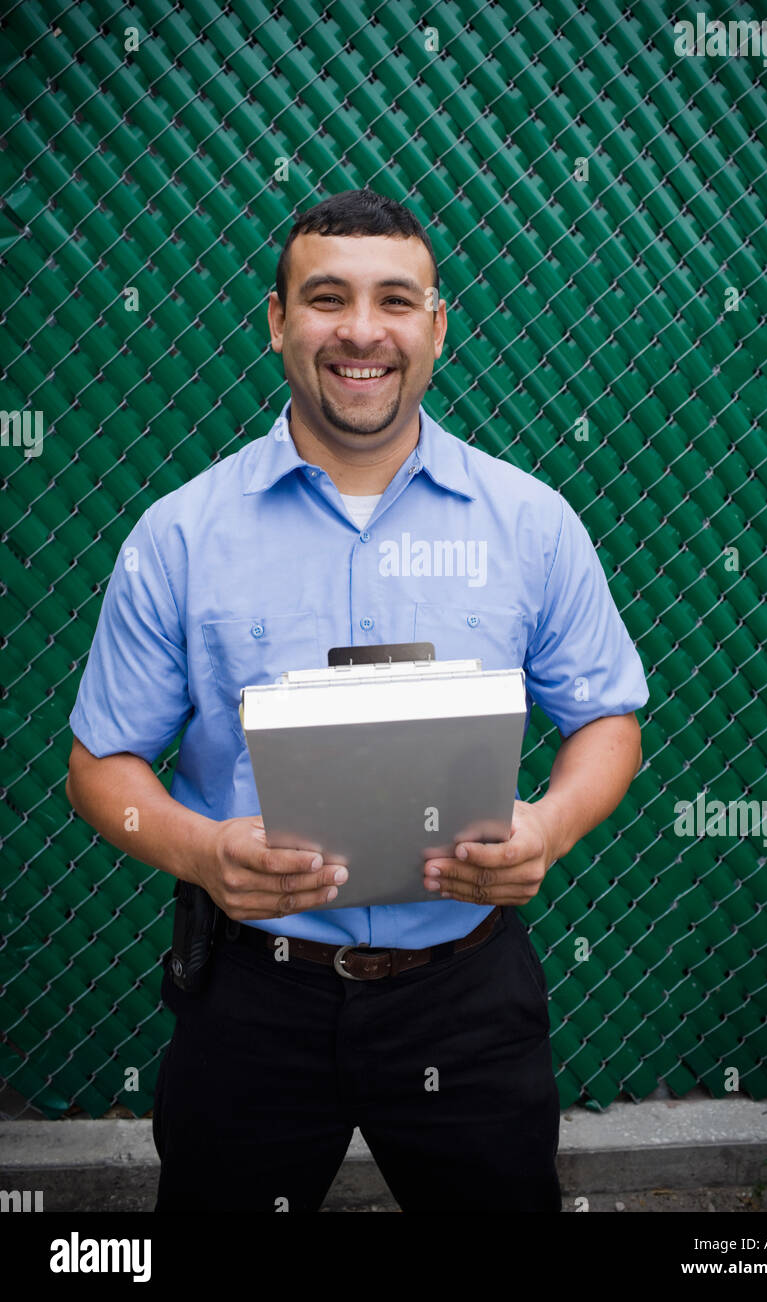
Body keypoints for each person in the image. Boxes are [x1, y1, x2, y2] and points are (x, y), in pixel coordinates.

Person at [65, 186, 648, 1213]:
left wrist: (548, 827)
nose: (361, 331)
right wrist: (201, 854)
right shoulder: (179, 534)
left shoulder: (530, 524)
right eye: (327, 299)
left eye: (393, 300)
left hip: (466, 993)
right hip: (253, 994)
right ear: (278, 321)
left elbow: (605, 718)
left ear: (436, 325)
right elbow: (98, 767)